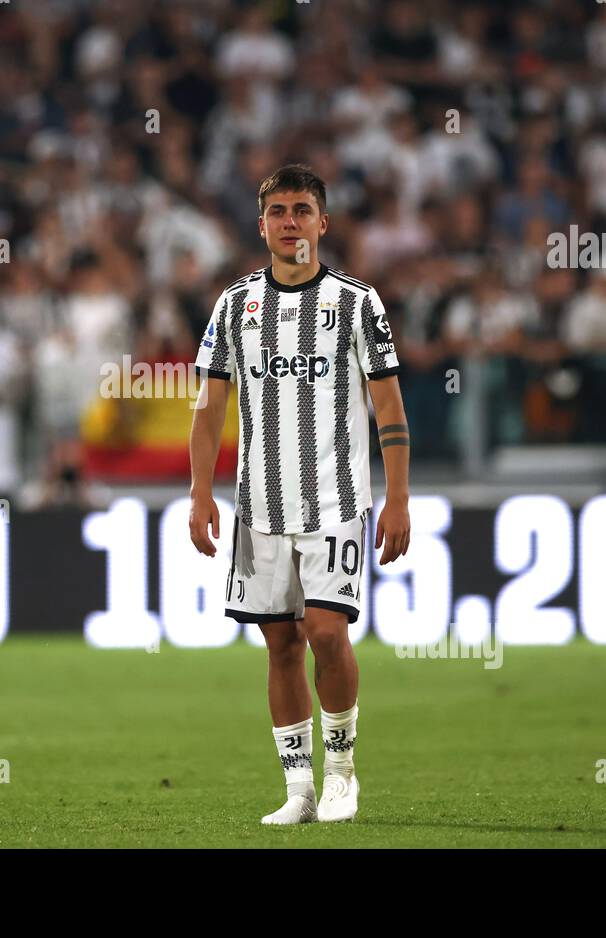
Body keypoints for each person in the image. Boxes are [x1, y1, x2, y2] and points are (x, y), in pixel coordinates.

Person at [188, 164, 412, 825]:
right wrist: (201, 494)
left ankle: (342, 771)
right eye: (279, 211)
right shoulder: (234, 304)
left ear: (323, 223)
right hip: (258, 506)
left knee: (324, 633)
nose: (291, 222)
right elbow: (207, 406)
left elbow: (389, 404)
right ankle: (299, 789)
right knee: (279, 644)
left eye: (302, 210)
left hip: (337, 500)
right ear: (261, 226)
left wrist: (398, 496)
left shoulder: (357, 302)